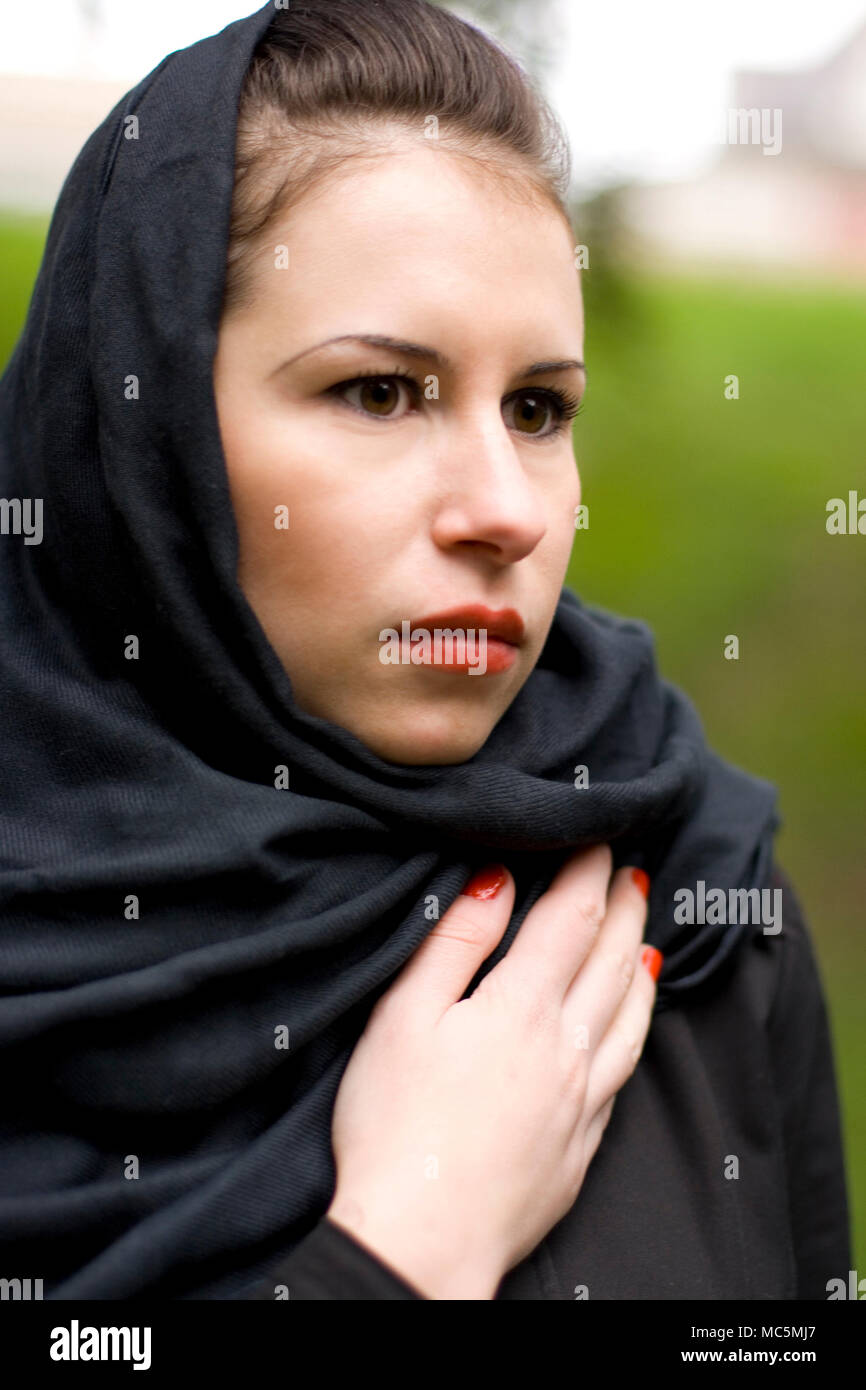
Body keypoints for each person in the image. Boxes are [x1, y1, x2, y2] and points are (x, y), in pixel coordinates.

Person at [0, 0, 849, 1302]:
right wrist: (400, 1252)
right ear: (143, 438)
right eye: (379, 392)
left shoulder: (690, 898)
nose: (509, 508)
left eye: (537, 407)